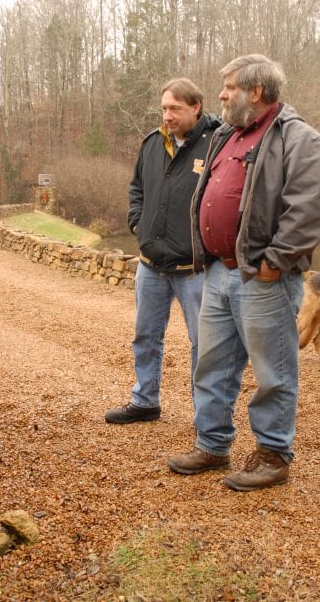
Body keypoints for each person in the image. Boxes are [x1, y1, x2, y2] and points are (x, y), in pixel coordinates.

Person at [166, 54, 320, 491]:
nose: (220, 95)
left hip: (263, 278)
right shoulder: (227, 135)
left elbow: (307, 212)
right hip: (219, 272)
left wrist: (274, 264)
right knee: (211, 365)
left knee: (273, 371)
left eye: (229, 87)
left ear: (255, 91)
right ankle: (212, 445)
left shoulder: (298, 138)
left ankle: (273, 455)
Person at [105, 79, 222, 424]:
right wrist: (137, 224)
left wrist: (205, 240)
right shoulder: (154, 143)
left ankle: (206, 415)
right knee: (145, 336)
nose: (167, 116)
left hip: (194, 268)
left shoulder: (216, 143)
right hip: (151, 263)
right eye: (164, 109)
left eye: (175, 109)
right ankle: (145, 400)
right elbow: (137, 188)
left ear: (196, 107)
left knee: (204, 345)